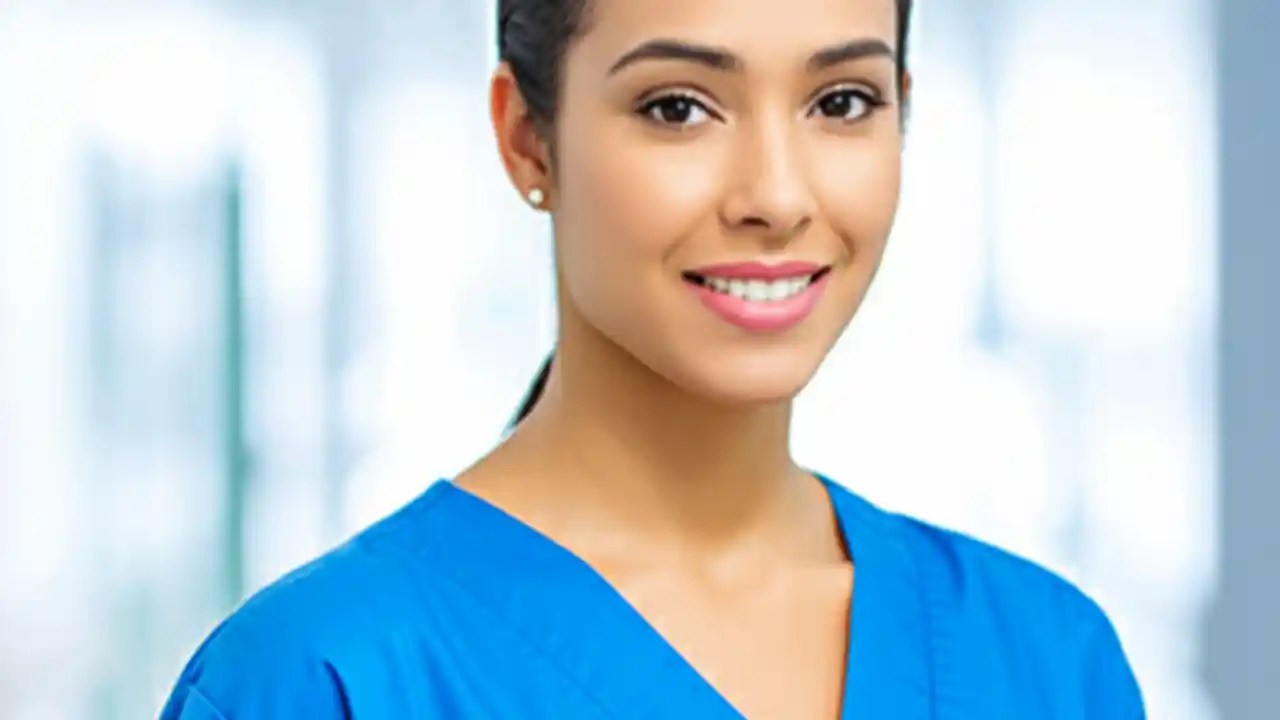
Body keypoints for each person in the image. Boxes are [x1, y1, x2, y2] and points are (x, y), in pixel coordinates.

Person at [160, 0, 1146, 717]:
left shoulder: (1044, 660)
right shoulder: (322, 681)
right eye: (678, 107)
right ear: (526, 141)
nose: (775, 194)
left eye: (841, 101)